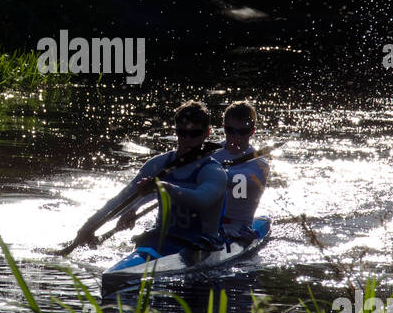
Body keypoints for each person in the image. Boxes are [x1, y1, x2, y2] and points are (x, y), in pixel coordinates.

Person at [76, 100, 227, 253]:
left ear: (207, 133)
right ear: (175, 131)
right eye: (182, 133)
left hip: (201, 244)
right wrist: (88, 228)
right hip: (162, 238)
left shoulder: (213, 171)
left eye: (195, 134)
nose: (187, 139)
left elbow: (201, 201)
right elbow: (121, 199)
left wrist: (162, 187)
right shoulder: (158, 164)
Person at [219, 100, 268, 244]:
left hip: (239, 229)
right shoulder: (210, 153)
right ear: (224, 128)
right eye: (230, 131)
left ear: (252, 131)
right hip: (207, 224)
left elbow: (240, 179)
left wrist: (210, 173)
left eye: (242, 132)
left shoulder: (259, 165)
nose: (236, 137)